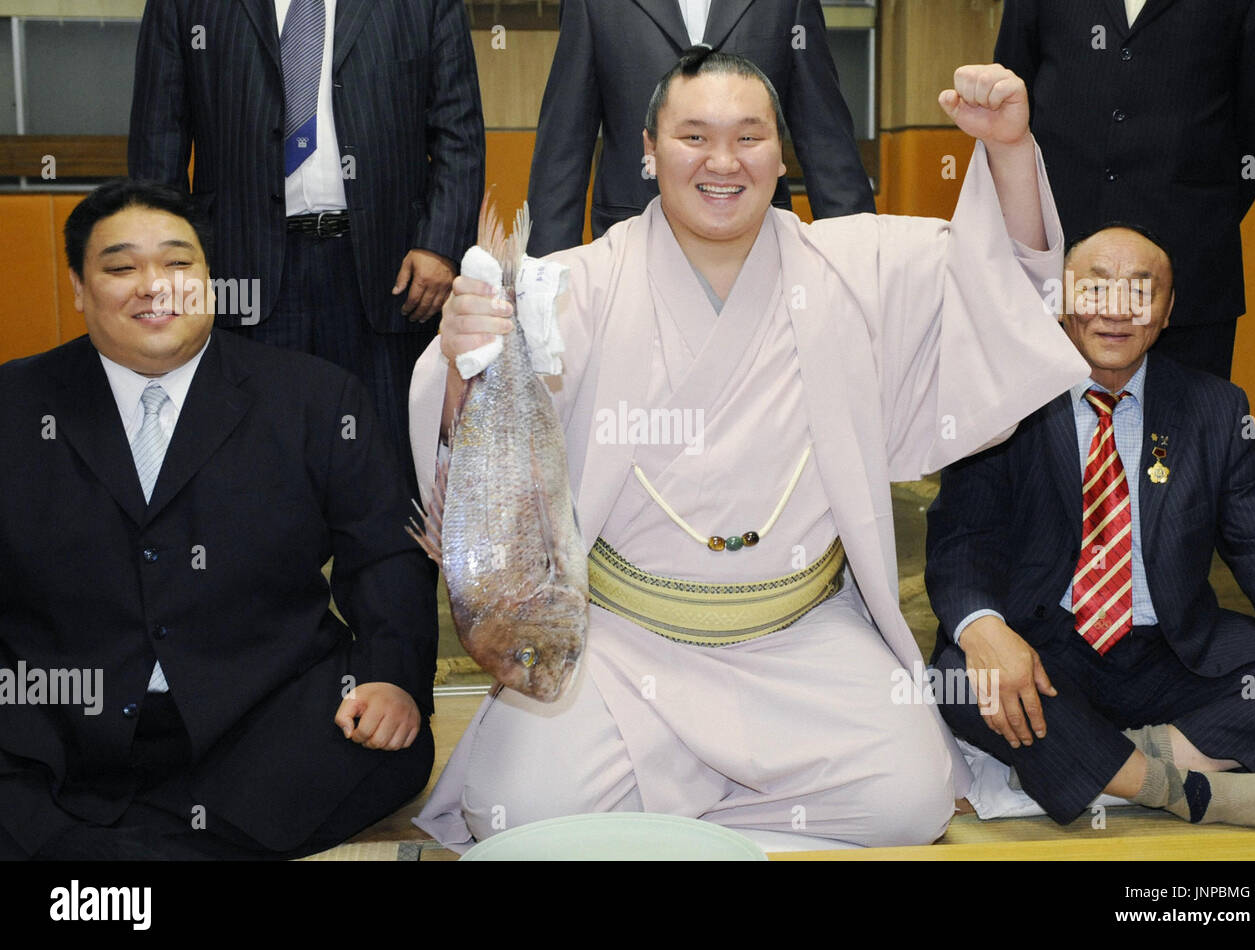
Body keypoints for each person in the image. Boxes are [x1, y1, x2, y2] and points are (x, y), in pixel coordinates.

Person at [407, 49, 1091, 851]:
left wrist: (1008, 149)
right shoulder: (575, 282)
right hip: (626, 639)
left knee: (911, 804)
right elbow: (481, 455)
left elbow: (1003, 290)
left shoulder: (856, 264)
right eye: (694, 136)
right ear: (648, 150)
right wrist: (463, 361)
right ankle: (719, 815)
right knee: (513, 814)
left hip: (800, 634)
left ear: (780, 149)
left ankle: (675, 825)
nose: (723, 162)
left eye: (749, 136)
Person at [0, 180, 439, 860]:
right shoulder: (15, 404)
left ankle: (91, 857)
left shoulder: (314, 399)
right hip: (57, 721)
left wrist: (389, 671)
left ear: (210, 278)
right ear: (80, 288)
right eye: (121, 268)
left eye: (179, 263)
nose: (155, 286)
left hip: (258, 719)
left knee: (382, 745)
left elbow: (384, 552)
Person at [926, 223, 1255, 831]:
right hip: (1046, 650)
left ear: (1168, 309)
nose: (1116, 311)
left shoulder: (1214, 409)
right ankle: (1180, 791)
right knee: (957, 681)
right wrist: (985, 628)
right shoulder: (1006, 398)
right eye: (1096, 289)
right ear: (1061, 298)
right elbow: (963, 537)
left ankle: (1086, 765)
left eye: (1140, 291)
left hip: (1171, 655)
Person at [128, 0, 486, 492]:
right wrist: (163, 266)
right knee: (252, 481)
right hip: (239, 274)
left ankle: (387, 569)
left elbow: (458, 130)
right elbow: (158, 138)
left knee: (388, 483)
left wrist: (442, 246)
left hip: (390, 278)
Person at [994, 0, 1255, 380]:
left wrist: (1198, 215)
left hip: (1190, 282)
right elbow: (1011, 107)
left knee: (1186, 433)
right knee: (1047, 436)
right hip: (1053, 277)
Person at [525, 1, 875, 257]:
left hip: (759, 244)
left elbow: (825, 136)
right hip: (631, 239)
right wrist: (546, 275)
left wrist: (860, 260)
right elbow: (565, 142)